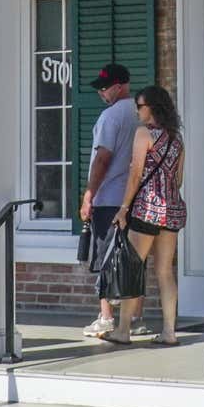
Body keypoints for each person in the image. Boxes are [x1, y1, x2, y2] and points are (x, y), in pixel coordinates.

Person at [102, 84, 186, 347]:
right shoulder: (176, 139)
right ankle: (169, 332)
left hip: (147, 209)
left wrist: (124, 208)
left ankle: (123, 330)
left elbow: (136, 173)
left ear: (152, 108)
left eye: (140, 106)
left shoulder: (144, 133)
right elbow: (179, 179)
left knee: (132, 268)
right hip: (171, 209)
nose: (137, 110)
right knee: (165, 272)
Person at [79, 63, 143, 339]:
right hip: (137, 197)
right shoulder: (142, 115)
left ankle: (106, 317)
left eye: (104, 88)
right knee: (134, 258)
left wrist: (89, 194)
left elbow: (102, 158)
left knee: (105, 257)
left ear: (119, 86)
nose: (101, 93)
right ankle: (135, 319)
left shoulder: (110, 117)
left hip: (110, 199)